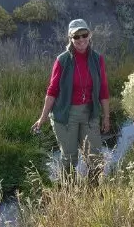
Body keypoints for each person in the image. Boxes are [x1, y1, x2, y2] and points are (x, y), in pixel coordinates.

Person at [31, 18, 110, 182]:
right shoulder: (62, 60)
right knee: (69, 157)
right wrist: (43, 117)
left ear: (90, 35)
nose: (81, 40)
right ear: (70, 38)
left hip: (90, 113)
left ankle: (94, 191)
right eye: (76, 37)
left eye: (84, 35)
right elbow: (52, 91)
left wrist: (106, 117)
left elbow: (103, 89)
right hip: (66, 115)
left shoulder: (97, 59)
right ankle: (70, 191)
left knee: (95, 156)